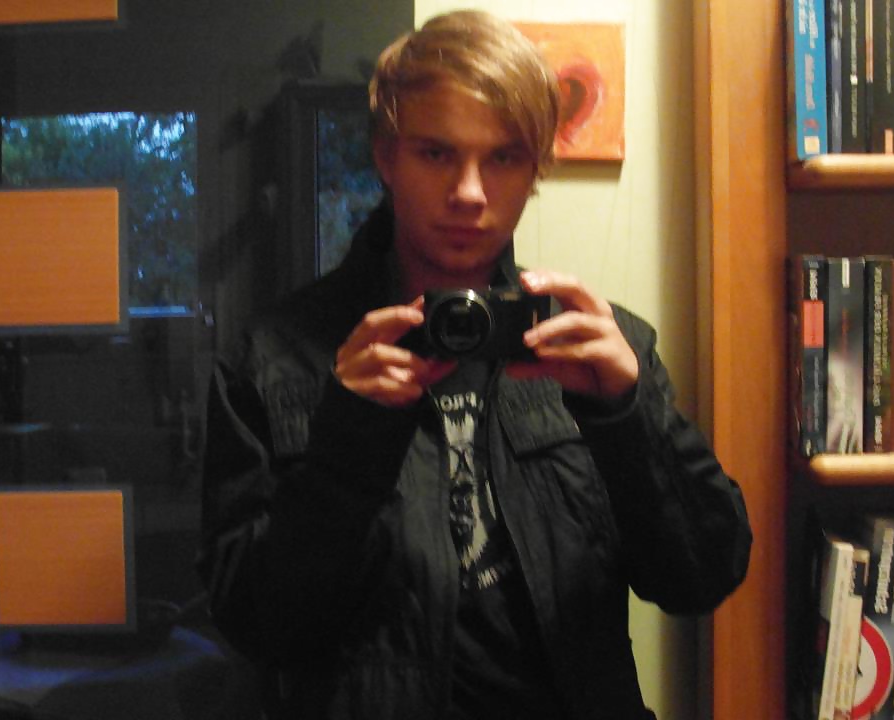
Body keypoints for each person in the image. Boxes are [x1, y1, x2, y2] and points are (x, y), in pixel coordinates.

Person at [197, 9, 752, 720]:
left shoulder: (599, 349)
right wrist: (346, 449)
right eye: (436, 154)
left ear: (536, 169)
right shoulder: (271, 361)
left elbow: (702, 577)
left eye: (503, 158)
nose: (468, 192)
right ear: (386, 157)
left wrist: (626, 416)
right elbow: (257, 626)